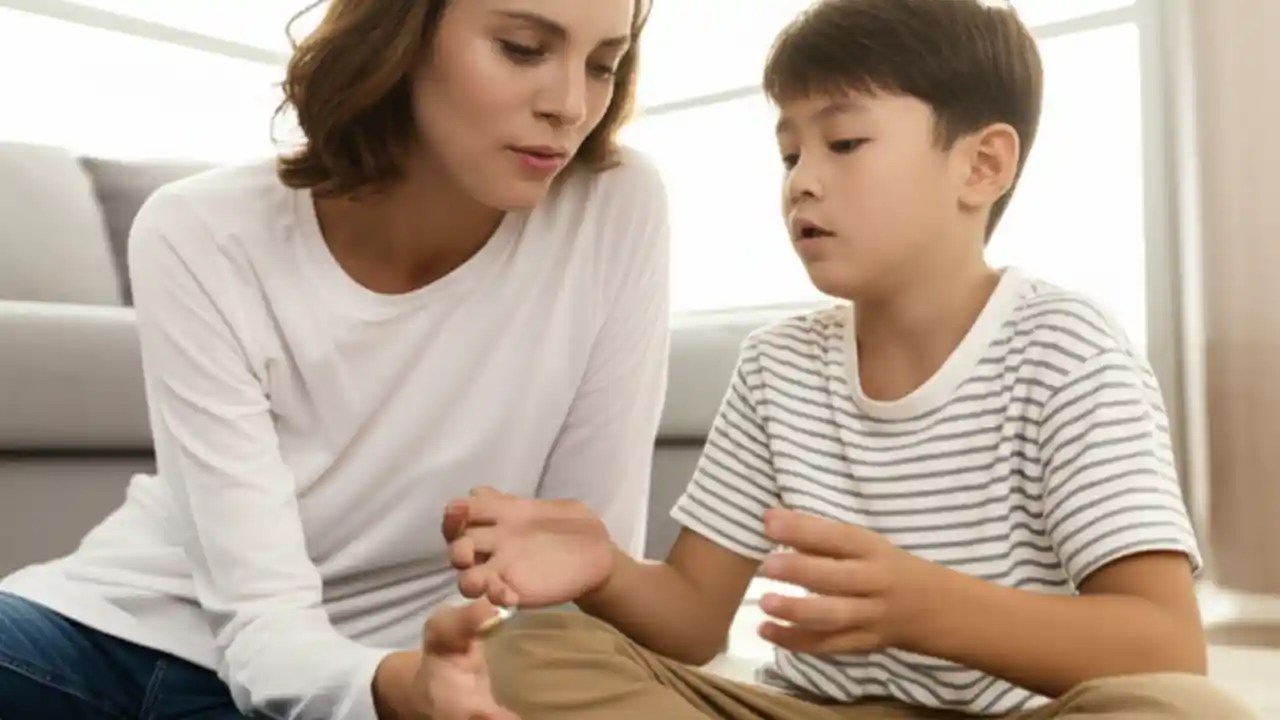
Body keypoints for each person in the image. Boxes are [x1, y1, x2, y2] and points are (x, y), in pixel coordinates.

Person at [435, 0, 1260, 718]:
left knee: (1188, 710)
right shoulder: (777, 367)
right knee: (528, 654)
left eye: (846, 142)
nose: (802, 182)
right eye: (790, 153)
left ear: (982, 164)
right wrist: (605, 570)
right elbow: (692, 622)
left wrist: (923, 608)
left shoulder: (1065, 349)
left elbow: (1165, 646)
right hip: (813, 708)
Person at [0, 0, 666, 718]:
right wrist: (404, 690)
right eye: (522, 47)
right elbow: (263, 627)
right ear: (401, 35)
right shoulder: (199, 231)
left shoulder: (613, 204)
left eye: (604, 65)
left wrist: (450, 686)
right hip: (111, 639)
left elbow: (580, 569)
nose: (571, 106)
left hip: (410, 682)